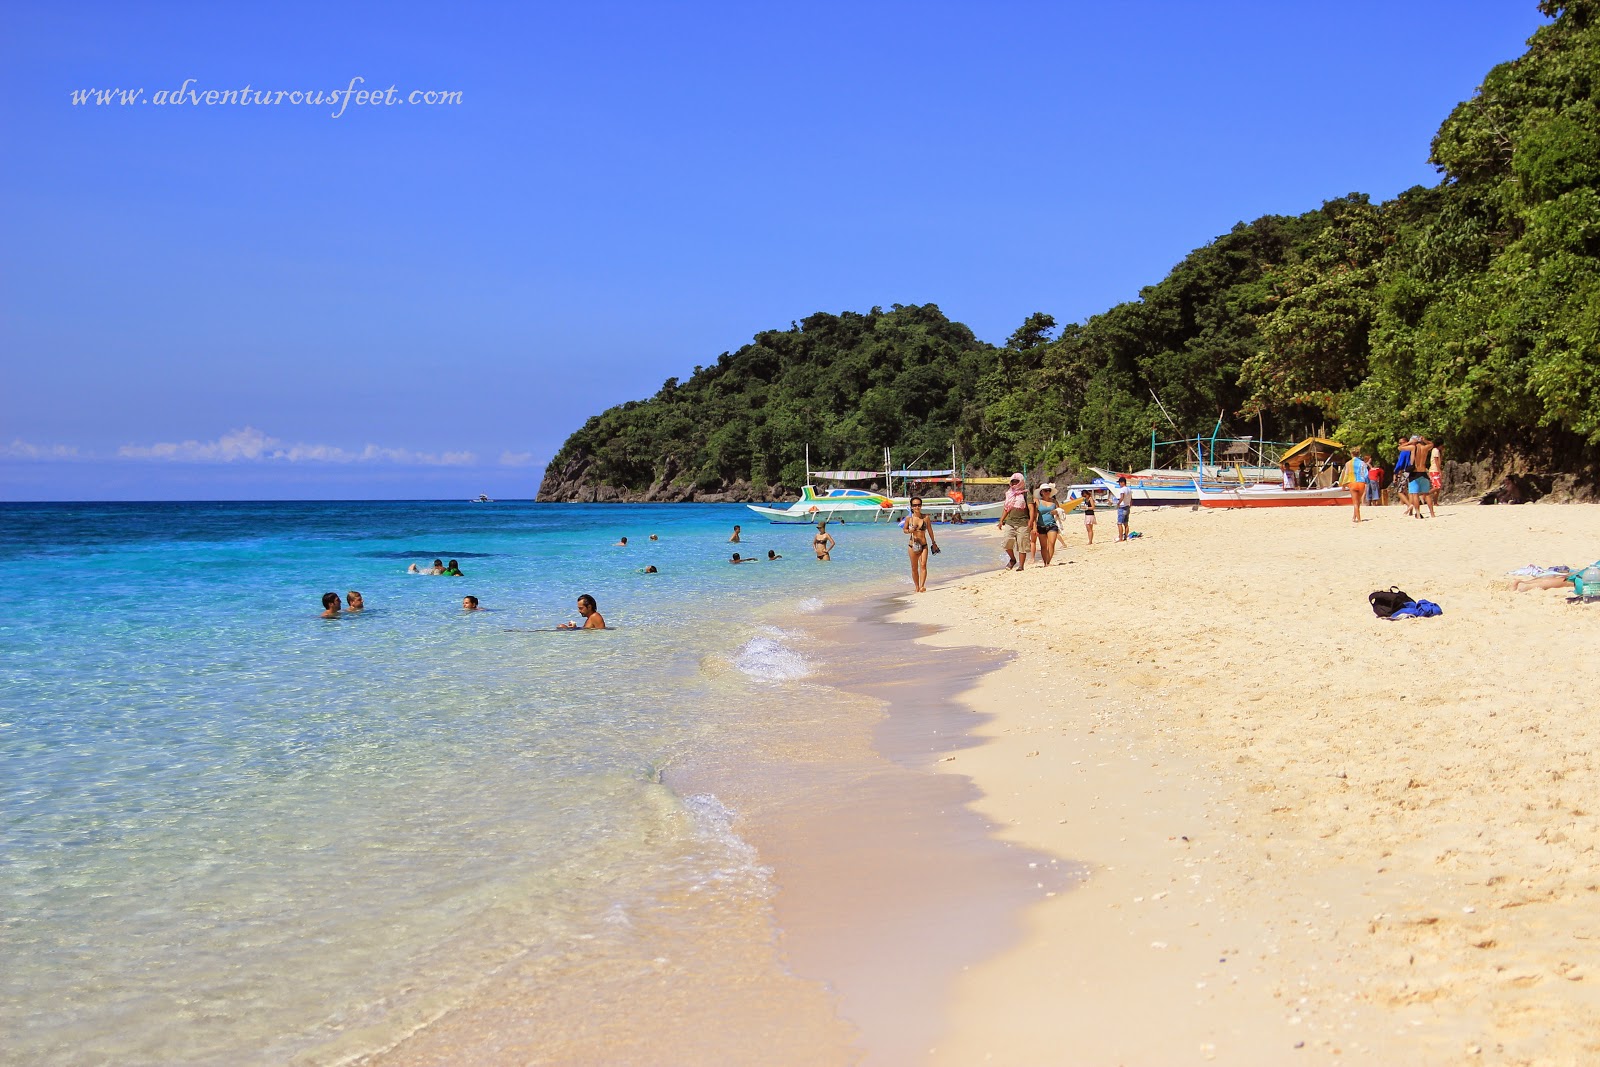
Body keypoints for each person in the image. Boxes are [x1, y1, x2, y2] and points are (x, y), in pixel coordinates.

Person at [998, 473, 1034, 570]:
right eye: (1012, 481)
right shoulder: (1010, 494)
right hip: (1010, 522)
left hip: (1023, 523)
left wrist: (1031, 521)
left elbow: (1031, 508)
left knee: (1022, 544)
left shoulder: (1026, 494)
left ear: (1021, 482)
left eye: (1016, 481)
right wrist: (1001, 520)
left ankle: (1021, 566)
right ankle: (1013, 559)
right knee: (1007, 542)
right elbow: (1006, 508)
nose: (1014, 483)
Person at [904, 496, 939, 592]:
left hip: (924, 545)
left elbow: (930, 531)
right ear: (911, 507)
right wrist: (909, 530)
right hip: (912, 545)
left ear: (921, 506)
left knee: (923, 565)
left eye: (919, 505)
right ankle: (916, 587)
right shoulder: (909, 519)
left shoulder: (926, 518)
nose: (917, 507)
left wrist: (934, 543)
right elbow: (905, 530)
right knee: (914, 567)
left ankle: (922, 586)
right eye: (915, 505)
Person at [1033, 484, 1063, 565]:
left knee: (1052, 543)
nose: (1047, 492)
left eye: (1049, 490)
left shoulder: (1054, 501)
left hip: (1052, 525)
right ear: (1041, 492)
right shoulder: (1037, 501)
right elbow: (1034, 515)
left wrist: (1056, 511)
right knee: (1043, 546)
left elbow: (1060, 511)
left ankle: (1048, 561)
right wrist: (1034, 527)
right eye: (1045, 490)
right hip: (1041, 525)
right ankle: (1045, 562)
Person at [1340, 446, 1369, 523]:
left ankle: (1359, 519)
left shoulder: (1348, 463)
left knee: (1355, 503)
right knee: (1358, 501)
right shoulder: (1362, 463)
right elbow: (1365, 474)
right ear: (1358, 454)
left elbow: (1346, 475)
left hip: (1352, 483)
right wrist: (1367, 482)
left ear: (1351, 454)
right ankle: (1354, 517)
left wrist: (1343, 485)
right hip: (1361, 483)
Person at [1427, 439, 1443, 515]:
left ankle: (1435, 502)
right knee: (1437, 486)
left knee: (1437, 488)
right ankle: (1426, 494)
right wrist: (1439, 470)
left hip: (1434, 470)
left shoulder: (1434, 450)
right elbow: (1436, 461)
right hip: (1434, 470)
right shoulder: (1436, 451)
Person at [1115, 477, 1133, 541]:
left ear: (1122, 482)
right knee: (1126, 523)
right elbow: (1131, 499)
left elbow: (1122, 497)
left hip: (1122, 507)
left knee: (1119, 523)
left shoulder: (1122, 489)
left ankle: (1120, 538)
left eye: (1119, 483)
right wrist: (1130, 505)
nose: (1119, 484)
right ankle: (1125, 536)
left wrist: (1118, 503)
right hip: (1127, 507)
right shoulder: (1129, 489)